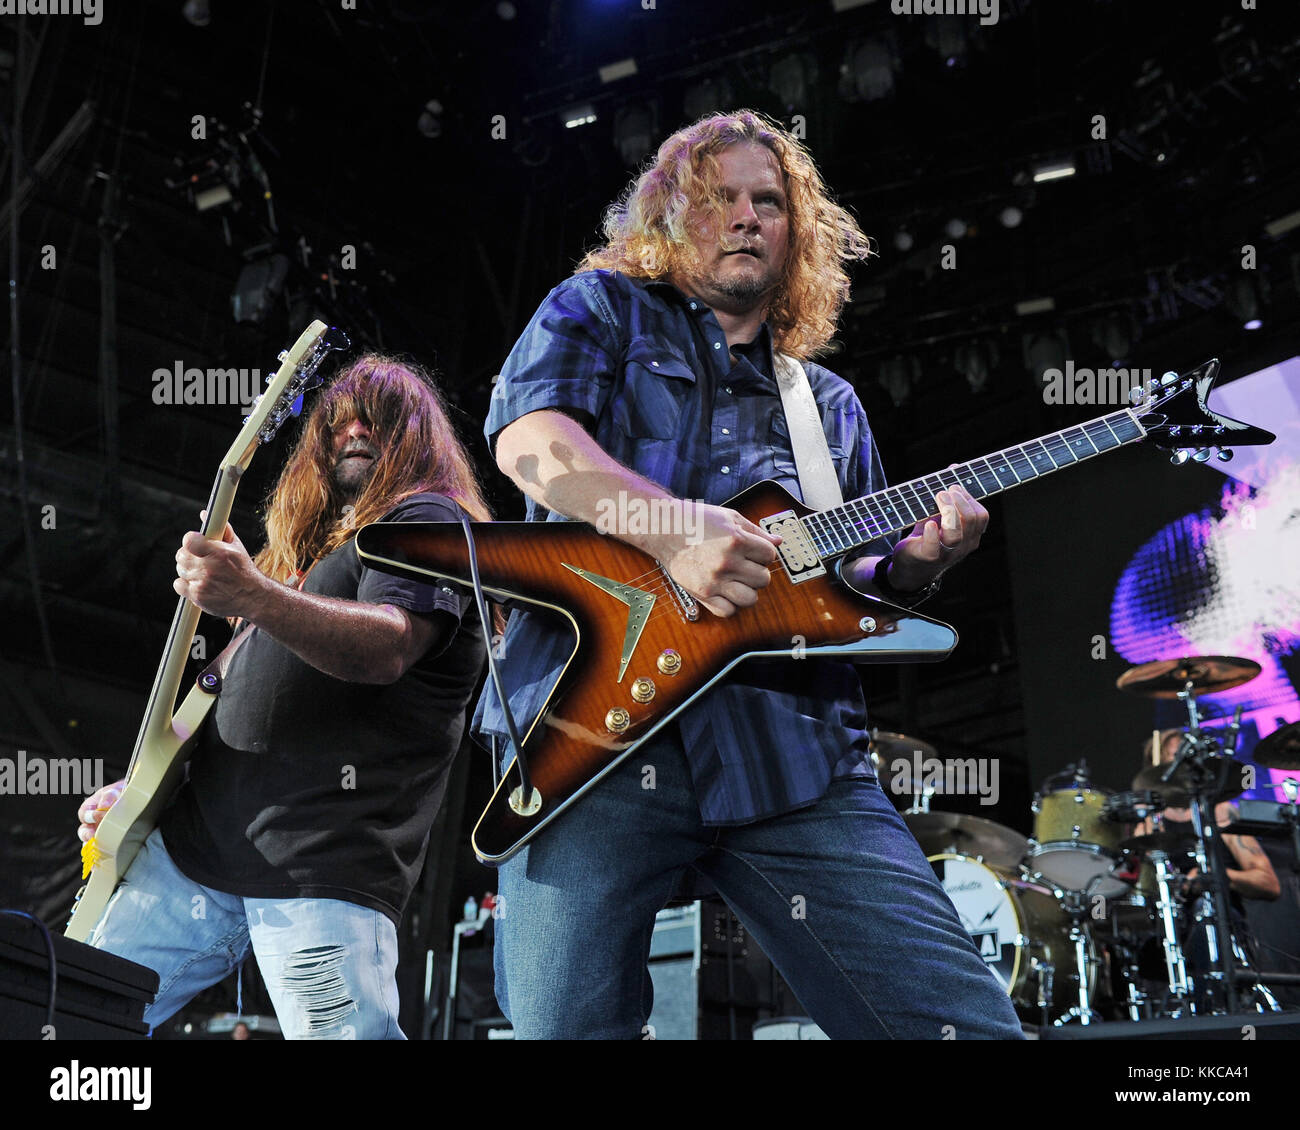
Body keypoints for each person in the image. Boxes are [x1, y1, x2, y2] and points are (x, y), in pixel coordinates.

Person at [474, 110, 1025, 1039]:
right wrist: (669, 526)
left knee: (958, 1025)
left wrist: (918, 561)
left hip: (792, 751)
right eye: (717, 197)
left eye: (768, 202)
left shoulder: (830, 407)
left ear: (796, 233)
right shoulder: (597, 310)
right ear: (670, 219)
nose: (745, 216)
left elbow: (853, 580)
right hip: (590, 737)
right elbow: (530, 445)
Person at [76, 355, 489, 1039]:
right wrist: (140, 791)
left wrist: (254, 595)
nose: (354, 428)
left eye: (377, 418)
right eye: (337, 420)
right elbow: (223, 703)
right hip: (194, 851)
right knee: (66, 1020)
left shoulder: (428, 520)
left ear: (416, 436)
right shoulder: (301, 568)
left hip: (320, 865)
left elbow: (388, 646)